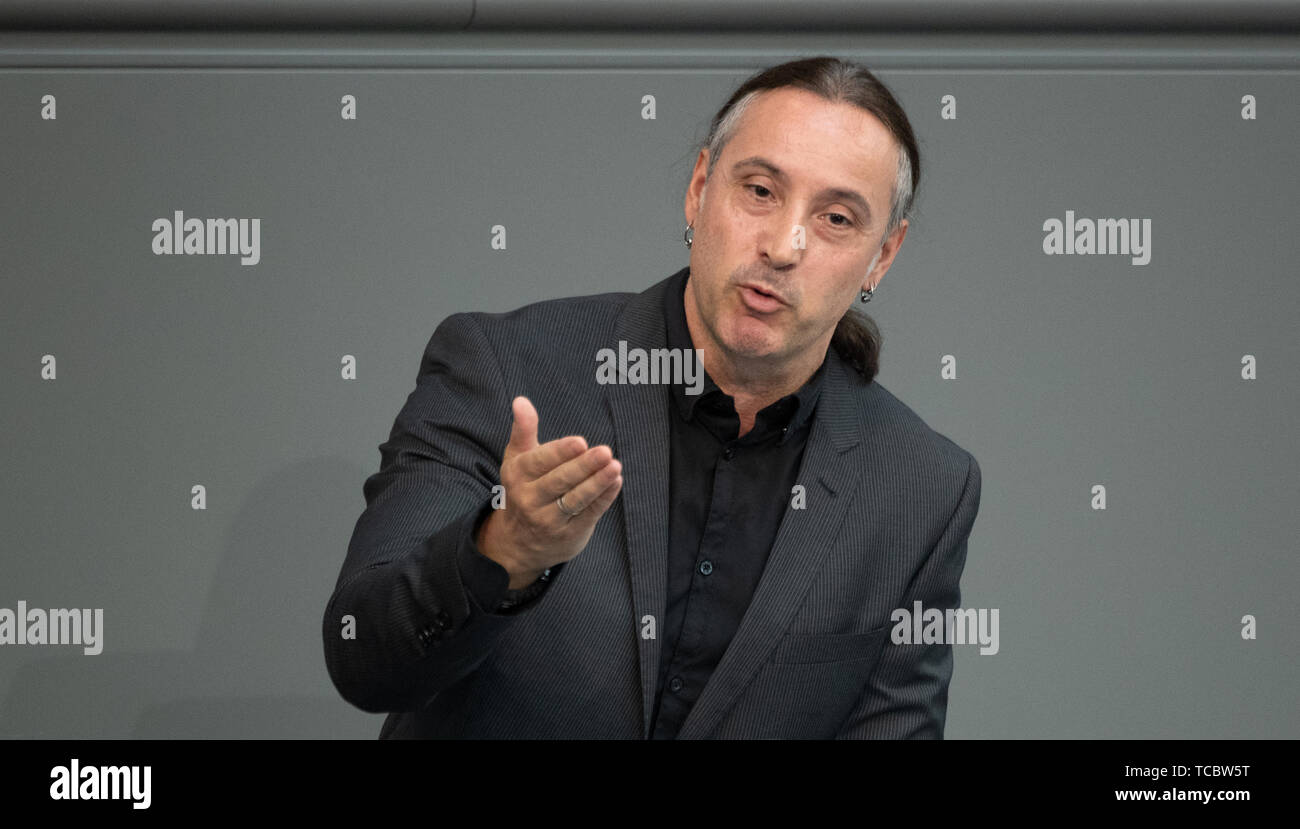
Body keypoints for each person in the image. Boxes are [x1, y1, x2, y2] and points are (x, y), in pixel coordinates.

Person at [322, 55, 981, 739]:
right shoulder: (505, 367)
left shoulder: (922, 486)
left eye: (837, 218)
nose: (784, 246)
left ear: (883, 254)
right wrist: (502, 552)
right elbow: (361, 656)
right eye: (759, 190)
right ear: (699, 189)